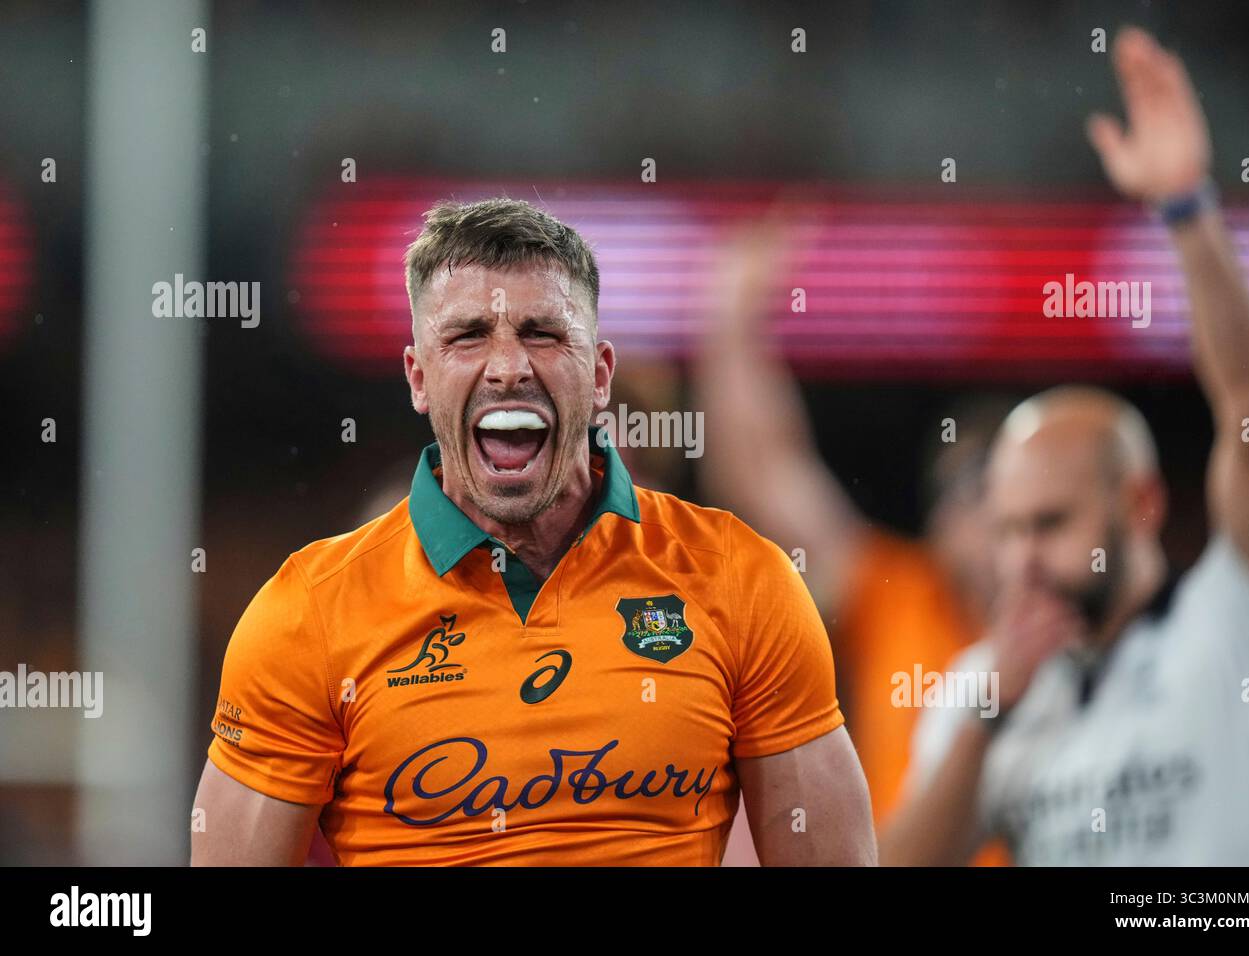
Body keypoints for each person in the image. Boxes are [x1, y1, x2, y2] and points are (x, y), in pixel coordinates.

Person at [191, 197, 876, 866]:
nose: (509, 366)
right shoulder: (306, 613)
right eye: (466, 336)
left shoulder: (742, 580)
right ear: (418, 377)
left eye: (543, 333)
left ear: (600, 374)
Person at [882, 27, 1249, 865]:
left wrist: (1186, 209)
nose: (1020, 561)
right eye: (1006, 530)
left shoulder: (1243, 613)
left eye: (1049, 524)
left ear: (1140, 503)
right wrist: (988, 720)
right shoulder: (985, 685)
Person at [698, 212, 1009, 865]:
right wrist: (732, 327)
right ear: (943, 524)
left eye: (1005, 498)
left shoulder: (1093, 621)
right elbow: (763, 475)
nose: (985, 528)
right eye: (962, 499)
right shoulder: (898, 590)